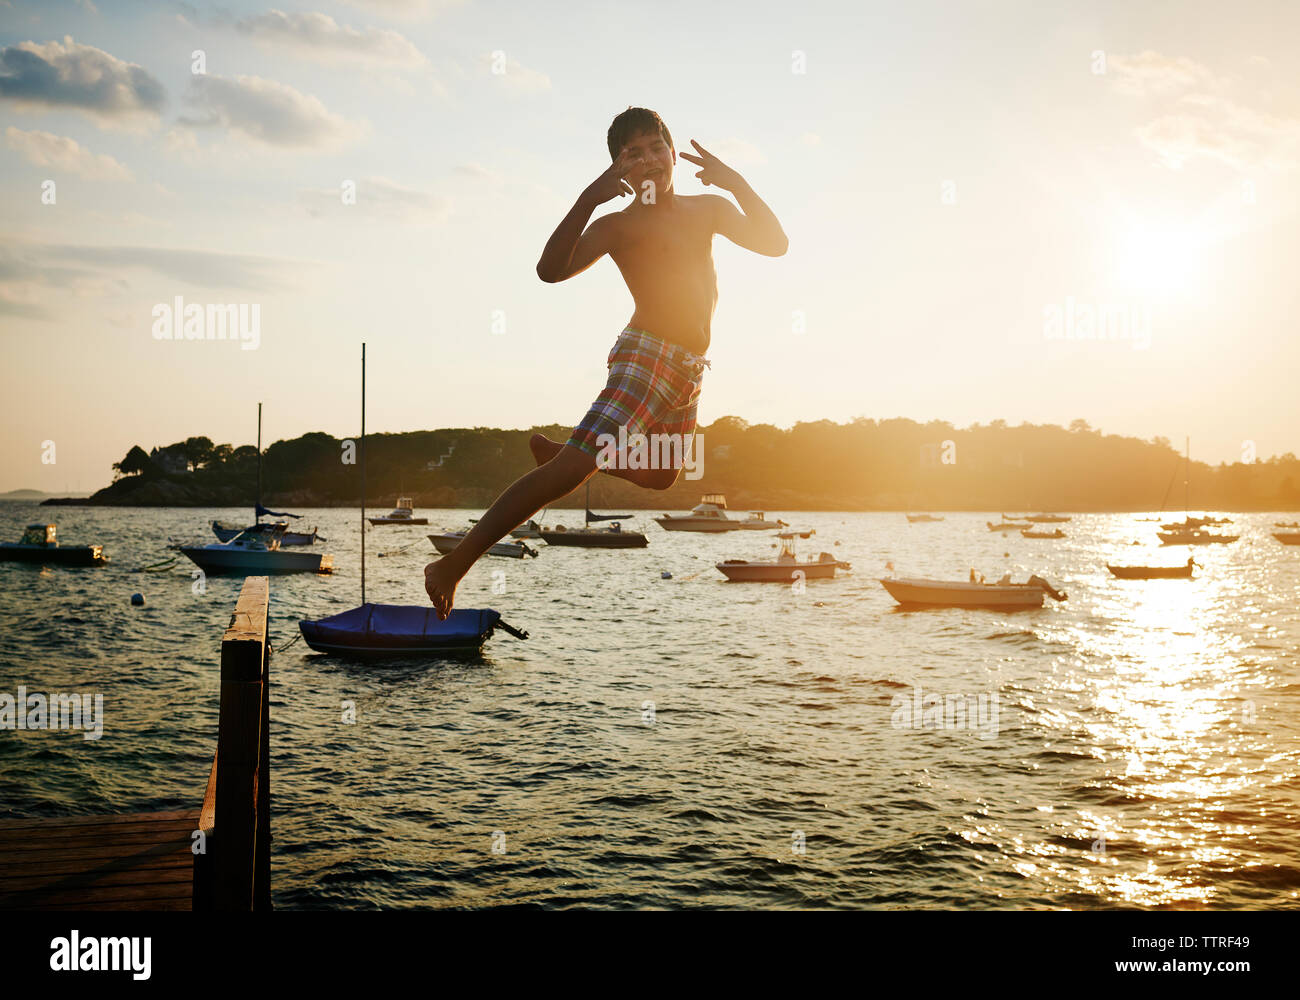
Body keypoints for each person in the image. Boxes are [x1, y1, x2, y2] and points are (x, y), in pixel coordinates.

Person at [423, 107, 787, 618]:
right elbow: (550, 271)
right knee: (572, 470)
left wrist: (736, 184)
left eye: (655, 147)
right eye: (631, 154)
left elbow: (776, 244)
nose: (648, 160)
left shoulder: (708, 208)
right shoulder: (618, 225)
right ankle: (453, 564)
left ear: (672, 152)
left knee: (663, 475)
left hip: (689, 368)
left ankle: (566, 453)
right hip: (647, 354)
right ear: (620, 169)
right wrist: (588, 199)